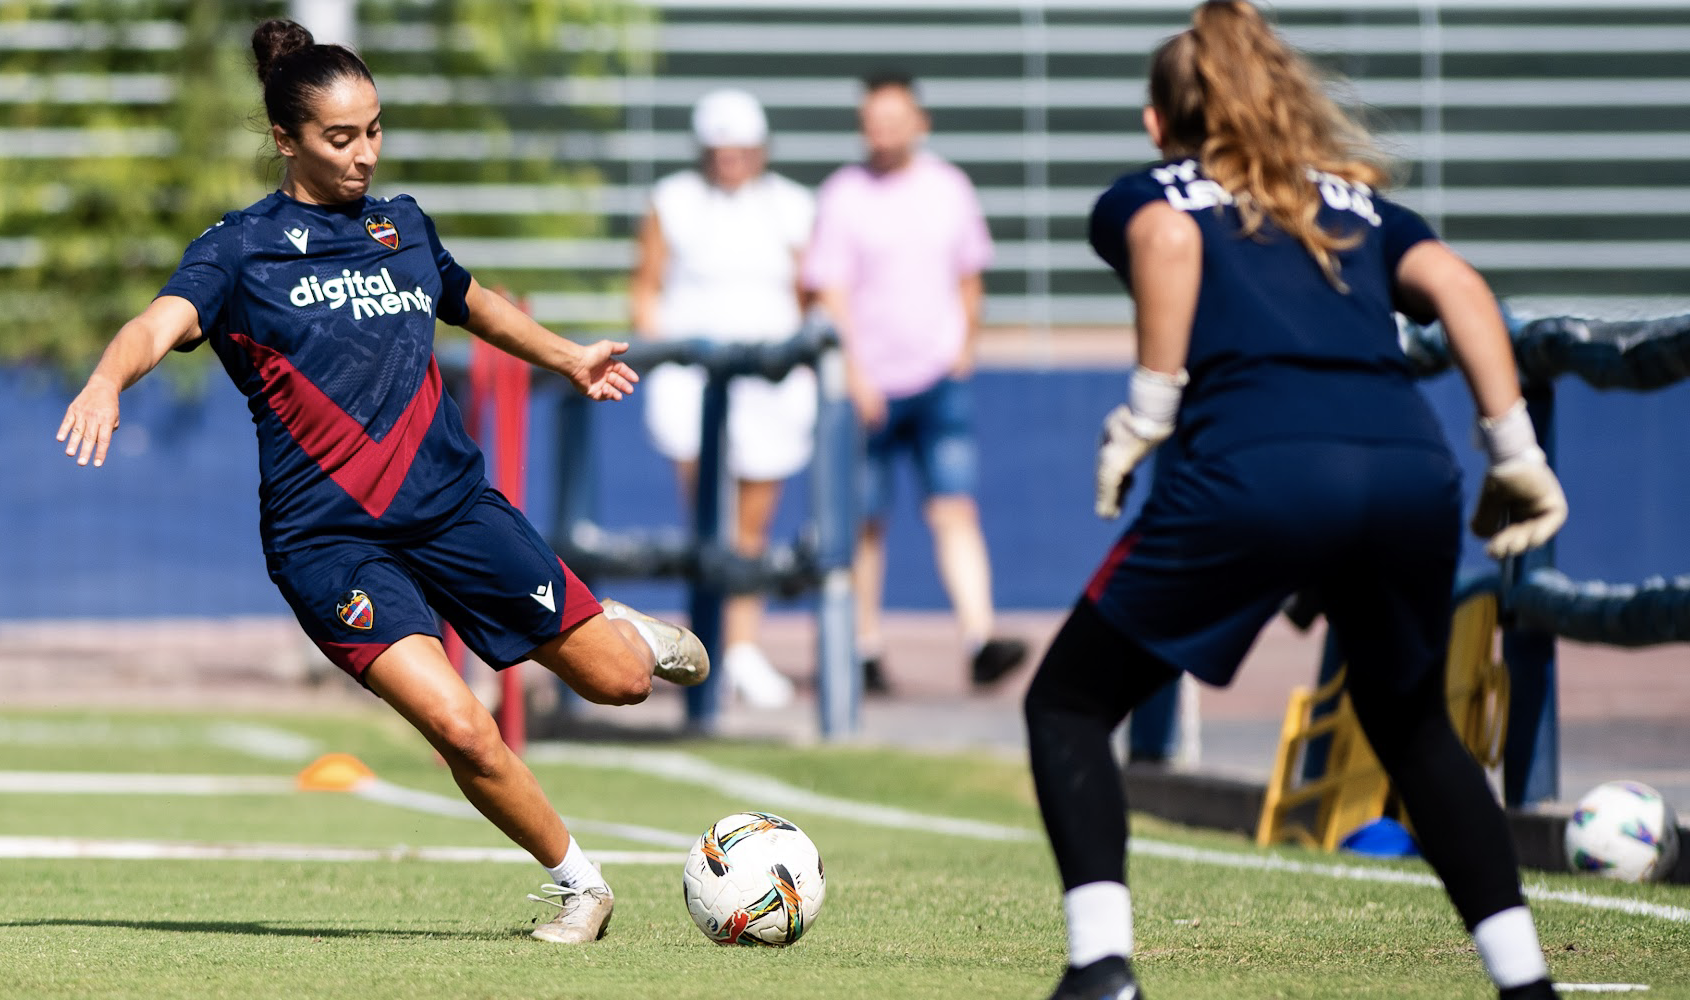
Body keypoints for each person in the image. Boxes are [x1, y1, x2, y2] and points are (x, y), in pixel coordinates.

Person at [55, 19, 710, 947]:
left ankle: (627, 630)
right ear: (286, 139)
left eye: (373, 131)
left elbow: (470, 301)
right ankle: (580, 887)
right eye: (340, 137)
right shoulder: (241, 249)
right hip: (329, 545)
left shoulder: (401, 226)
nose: (363, 154)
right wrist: (106, 381)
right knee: (461, 724)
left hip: (453, 509)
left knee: (621, 683)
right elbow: (155, 324)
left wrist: (567, 356)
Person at [1023, 4, 1569, 999]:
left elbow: (1169, 241)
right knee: (1411, 724)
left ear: (1158, 121)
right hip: (1409, 465)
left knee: (1068, 700)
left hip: (1258, 466)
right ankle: (1525, 982)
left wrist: (1148, 409)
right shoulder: (1354, 200)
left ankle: (1100, 969)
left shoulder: (1150, 191)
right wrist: (1515, 448)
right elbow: (1458, 284)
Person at [803, 70, 1026, 695]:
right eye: (874, 121)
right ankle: (863, 648)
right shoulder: (843, 196)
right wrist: (854, 375)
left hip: (938, 381)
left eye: (895, 119)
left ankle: (980, 639)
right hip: (868, 388)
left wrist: (964, 348)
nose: (884, 132)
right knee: (866, 522)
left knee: (955, 508)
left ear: (919, 123)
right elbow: (830, 293)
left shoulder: (950, 188)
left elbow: (970, 276)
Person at [629, 88, 815, 710]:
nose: (730, 160)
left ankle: (740, 648)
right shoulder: (672, 201)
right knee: (710, 519)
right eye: (720, 150)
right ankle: (709, 650)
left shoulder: (794, 206)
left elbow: (810, 294)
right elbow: (647, 287)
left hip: (771, 386)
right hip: (692, 386)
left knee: (752, 528)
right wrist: (668, 357)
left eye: (741, 150)